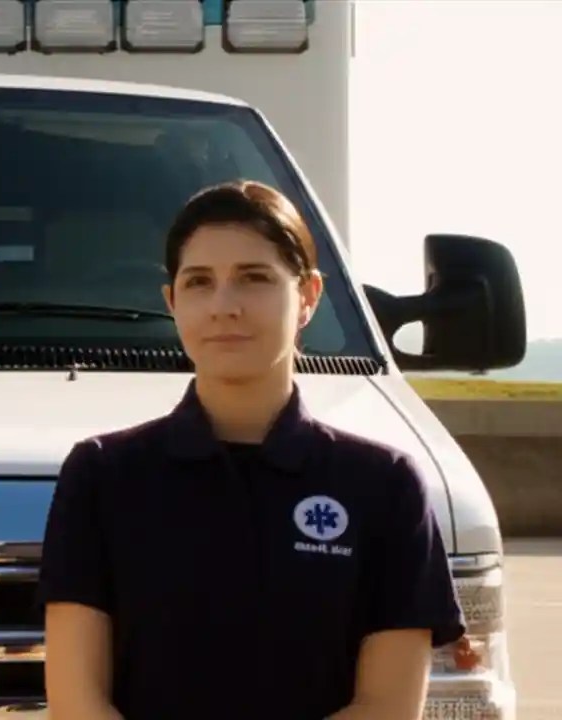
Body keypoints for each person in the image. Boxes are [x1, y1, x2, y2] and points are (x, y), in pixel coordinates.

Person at [37, 180, 466, 720]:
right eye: (199, 282)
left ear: (308, 296)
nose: (224, 307)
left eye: (254, 278)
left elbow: (386, 707)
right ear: (172, 303)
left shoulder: (383, 484)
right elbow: (78, 703)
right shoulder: (102, 475)